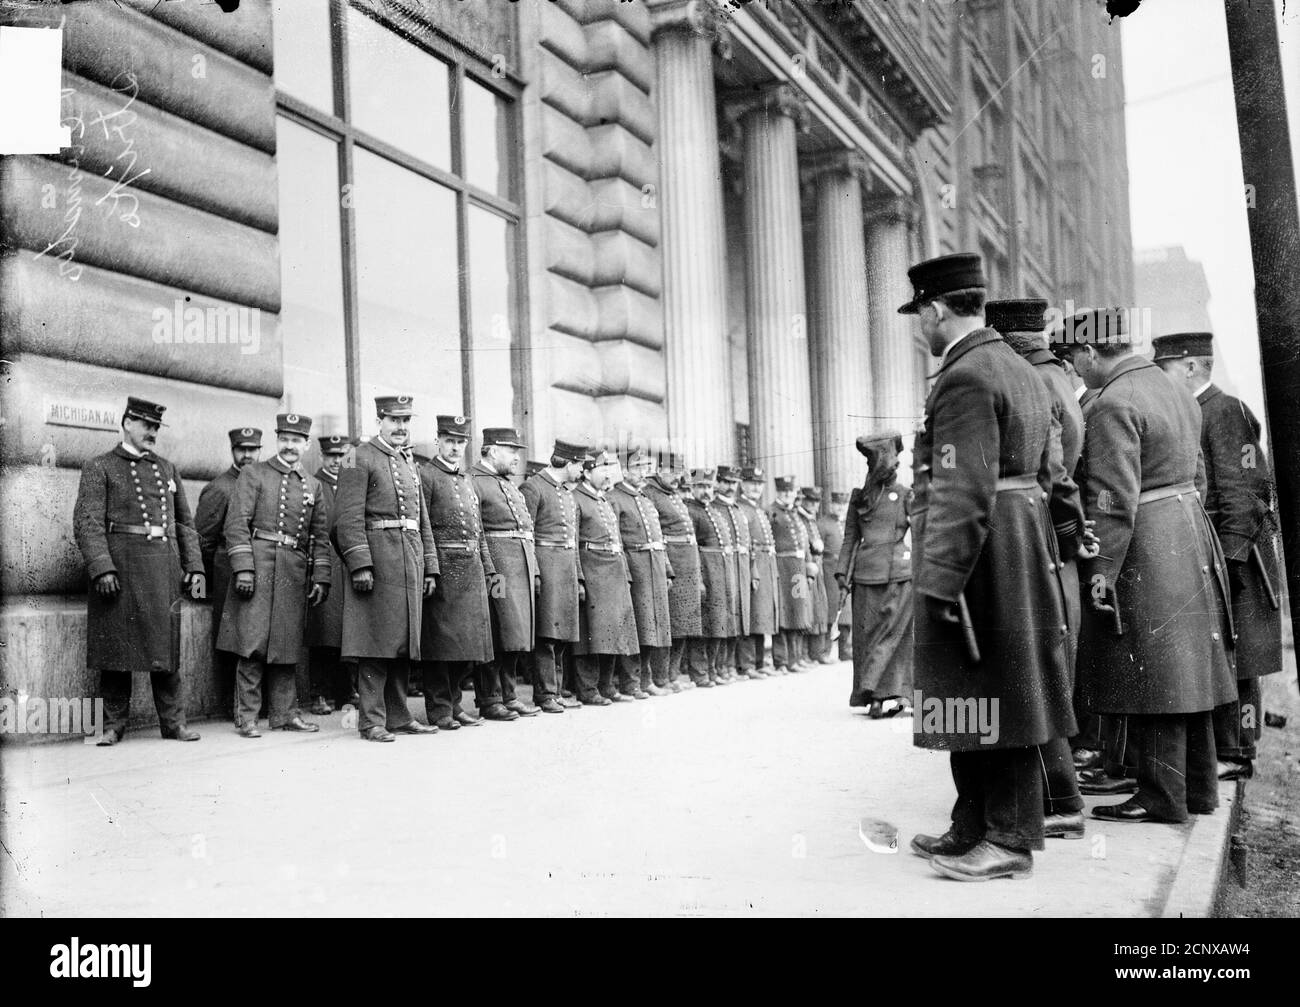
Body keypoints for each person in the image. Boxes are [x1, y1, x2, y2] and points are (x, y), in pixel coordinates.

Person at [900, 253, 1083, 881]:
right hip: (1017, 542)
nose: (919, 329)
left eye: (919, 316)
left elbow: (960, 487)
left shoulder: (966, 377)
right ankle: (974, 822)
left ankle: (1007, 838)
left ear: (935, 308)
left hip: (981, 553)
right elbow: (1052, 475)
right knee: (979, 689)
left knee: (991, 689)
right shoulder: (1019, 367)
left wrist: (940, 579)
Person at [1067, 310, 1237, 824]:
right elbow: (1201, 477)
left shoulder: (1114, 402)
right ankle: (1200, 790)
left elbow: (1113, 498)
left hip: (1146, 539)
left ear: (1093, 353)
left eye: (1076, 359)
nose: (1077, 371)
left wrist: (1102, 568)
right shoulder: (1176, 389)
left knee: (1154, 670)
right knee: (1189, 667)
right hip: (1187, 532)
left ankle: (1162, 797)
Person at [1153, 331, 1282, 782]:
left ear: (1190, 367)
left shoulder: (1225, 411)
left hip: (1240, 558)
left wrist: (1228, 558)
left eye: (1166, 368)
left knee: (1243, 660)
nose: (1161, 377)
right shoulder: (1198, 410)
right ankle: (1230, 749)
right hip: (1222, 552)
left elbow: (1247, 489)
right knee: (1230, 654)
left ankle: (1238, 752)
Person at [987, 298, 1092, 839]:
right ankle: (1057, 799)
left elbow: (1051, 473)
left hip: (1036, 538)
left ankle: (1059, 802)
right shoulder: (1056, 376)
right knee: (1043, 667)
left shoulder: (1028, 381)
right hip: (1053, 539)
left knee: (1031, 670)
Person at [73, 396, 204, 745]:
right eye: (147, 425)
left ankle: (173, 723)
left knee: (166, 651)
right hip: (121, 569)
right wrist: (102, 568)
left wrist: (194, 567)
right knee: (117, 651)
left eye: (156, 427)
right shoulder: (99, 466)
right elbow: (87, 523)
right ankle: (112, 726)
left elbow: (185, 524)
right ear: (127, 422)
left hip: (162, 569)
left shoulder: (167, 468)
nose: (152, 432)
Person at [218, 413, 331, 737]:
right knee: (251, 644)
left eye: (297, 440)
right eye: (285, 439)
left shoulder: (313, 485)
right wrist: (243, 568)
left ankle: (285, 715)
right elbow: (236, 524)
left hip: (292, 571)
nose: (291, 445)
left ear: (306, 444)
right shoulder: (255, 474)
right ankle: (248, 718)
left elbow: (319, 536)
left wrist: (321, 575)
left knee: (286, 645)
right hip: (258, 565)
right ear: (277, 440)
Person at [334, 395, 440, 742]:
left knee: (401, 643)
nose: (401, 428)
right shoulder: (358, 457)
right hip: (378, 561)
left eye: (406, 421)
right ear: (379, 420)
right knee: (374, 644)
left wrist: (430, 567)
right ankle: (371, 722)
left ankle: (398, 715)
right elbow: (346, 518)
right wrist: (360, 563)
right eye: (395, 420)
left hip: (409, 561)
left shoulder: (409, 461)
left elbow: (421, 520)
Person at [417, 415, 496, 730]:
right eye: (449, 441)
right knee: (441, 645)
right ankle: (439, 709)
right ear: (438, 441)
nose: (454, 447)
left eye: (460, 442)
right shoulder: (427, 475)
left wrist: (488, 569)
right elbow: (424, 528)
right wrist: (431, 568)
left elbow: (479, 532)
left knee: (465, 646)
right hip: (444, 569)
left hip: (471, 570)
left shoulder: (466, 479)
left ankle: (455, 704)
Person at [837, 431, 914, 718]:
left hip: (898, 573)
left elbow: (919, 532)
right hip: (869, 576)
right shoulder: (860, 498)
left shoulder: (906, 495)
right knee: (873, 638)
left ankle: (893, 694)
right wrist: (841, 576)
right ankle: (875, 694)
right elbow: (849, 539)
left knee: (894, 636)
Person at [472, 427, 541, 720]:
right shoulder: (474, 480)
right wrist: (487, 570)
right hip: (496, 568)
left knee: (514, 633)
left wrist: (534, 569)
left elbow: (526, 530)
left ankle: (509, 695)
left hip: (518, 566)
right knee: (496, 631)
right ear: (491, 449)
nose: (516, 457)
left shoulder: (507, 483)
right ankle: (490, 698)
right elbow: (475, 530)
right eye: (511, 450)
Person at [195, 427, 261, 718]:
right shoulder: (220, 488)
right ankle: (232, 706)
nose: (247, 455)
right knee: (232, 640)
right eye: (241, 450)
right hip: (227, 575)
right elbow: (203, 540)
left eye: (252, 449)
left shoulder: (262, 481)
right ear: (232, 451)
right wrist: (207, 582)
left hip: (256, 571)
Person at [522, 438, 591, 712]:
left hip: (565, 569)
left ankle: (556, 691)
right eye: (580, 465)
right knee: (546, 635)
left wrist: (579, 577)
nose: (582, 471)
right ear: (568, 462)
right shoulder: (533, 487)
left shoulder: (566, 493)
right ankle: (545, 694)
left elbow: (572, 540)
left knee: (562, 635)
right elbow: (527, 535)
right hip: (546, 567)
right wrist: (536, 573)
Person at [572, 449, 641, 703]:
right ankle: (588, 689)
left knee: (613, 630)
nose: (607, 473)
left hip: (613, 568)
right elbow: (574, 541)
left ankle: (607, 686)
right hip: (592, 569)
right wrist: (579, 577)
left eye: (609, 467)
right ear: (587, 471)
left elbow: (617, 539)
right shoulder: (576, 498)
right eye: (602, 468)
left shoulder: (603, 499)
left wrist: (625, 572)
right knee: (591, 632)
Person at [305, 435, 355, 715]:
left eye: (342, 455)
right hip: (324, 563)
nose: (337, 461)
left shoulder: (352, 482)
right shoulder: (314, 483)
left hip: (348, 564)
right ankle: (319, 693)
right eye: (331, 456)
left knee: (348, 631)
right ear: (322, 457)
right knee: (322, 632)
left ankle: (346, 690)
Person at [643, 453, 702, 691]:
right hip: (671, 563)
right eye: (672, 471)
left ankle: (672, 675)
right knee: (668, 623)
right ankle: (661, 677)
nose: (677, 477)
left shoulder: (673, 494)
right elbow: (657, 535)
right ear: (660, 470)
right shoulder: (651, 493)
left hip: (687, 563)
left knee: (683, 624)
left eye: (679, 472)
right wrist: (666, 567)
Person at [685, 468, 737, 687]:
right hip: (705, 570)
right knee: (704, 624)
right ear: (692, 488)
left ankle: (714, 668)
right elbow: (693, 548)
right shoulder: (690, 510)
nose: (705, 491)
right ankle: (699, 671)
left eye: (708, 486)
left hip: (721, 571)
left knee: (719, 622)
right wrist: (699, 578)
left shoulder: (713, 510)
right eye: (700, 487)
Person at [768, 476, 815, 673]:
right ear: (778, 492)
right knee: (783, 615)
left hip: (798, 568)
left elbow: (804, 544)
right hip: (782, 567)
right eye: (784, 491)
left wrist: (809, 565)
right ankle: (781, 661)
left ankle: (795, 658)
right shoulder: (771, 512)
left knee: (798, 612)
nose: (788, 495)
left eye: (790, 491)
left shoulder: (795, 514)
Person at [737, 465, 780, 677]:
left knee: (762, 614)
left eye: (758, 484)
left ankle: (761, 662)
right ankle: (747, 664)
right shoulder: (741, 508)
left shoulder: (757, 509)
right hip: (753, 564)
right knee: (752, 613)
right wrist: (753, 569)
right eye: (751, 483)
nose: (755, 488)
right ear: (742, 484)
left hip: (766, 563)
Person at [714, 465, 752, 682]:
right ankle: (722, 666)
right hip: (724, 568)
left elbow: (749, 546)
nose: (730, 487)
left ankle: (733, 665)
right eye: (726, 482)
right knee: (725, 618)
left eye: (733, 483)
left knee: (739, 618)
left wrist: (753, 572)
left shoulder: (738, 510)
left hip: (742, 569)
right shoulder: (715, 508)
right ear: (718, 483)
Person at [796, 487, 831, 665]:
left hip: (817, 568)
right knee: (805, 609)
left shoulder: (811, 520)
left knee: (819, 609)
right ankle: (803, 653)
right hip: (804, 569)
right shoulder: (799, 518)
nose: (813, 505)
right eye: (809, 501)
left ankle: (817, 652)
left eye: (816, 501)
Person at [822, 491, 851, 663]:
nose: (840, 508)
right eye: (837, 504)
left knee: (847, 612)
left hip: (846, 570)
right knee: (831, 609)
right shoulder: (824, 524)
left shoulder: (849, 524)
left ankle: (845, 650)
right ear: (832, 505)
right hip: (830, 571)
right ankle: (825, 650)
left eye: (843, 504)